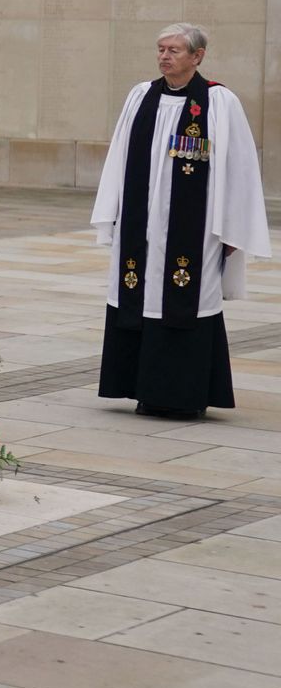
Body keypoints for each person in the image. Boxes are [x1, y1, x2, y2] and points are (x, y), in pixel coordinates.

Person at [93, 24, 270, 420]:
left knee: (185, 302)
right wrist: (112, 212)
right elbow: (119, 156)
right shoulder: (141, 97)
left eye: (174, 50)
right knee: (139, 299)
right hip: (141, 225)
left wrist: (232, 226)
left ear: (198, 56)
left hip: (195, 229)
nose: (164, 56)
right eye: (160, 49)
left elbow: (240, 167)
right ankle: (141, 390)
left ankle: (184, 396)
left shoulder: (219, 102)